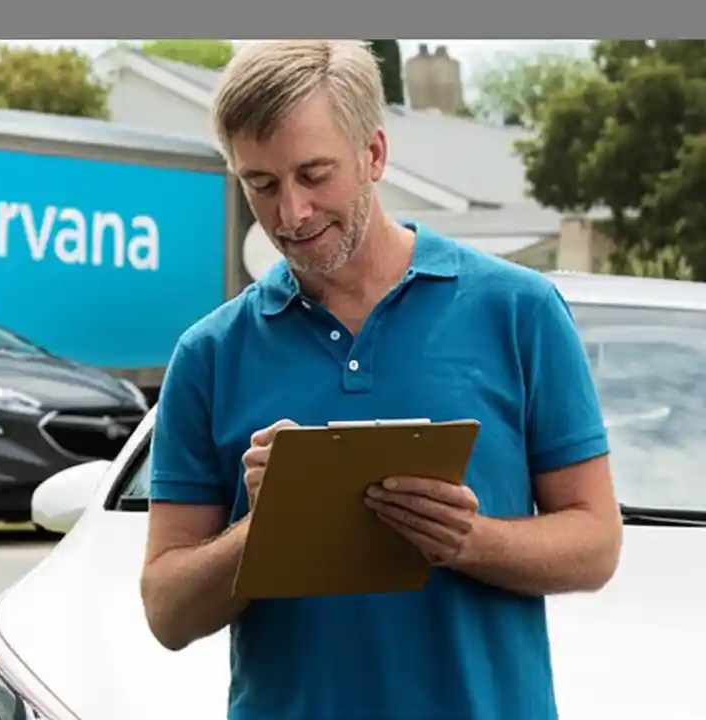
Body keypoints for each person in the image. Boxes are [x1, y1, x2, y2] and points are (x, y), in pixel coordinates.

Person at [139, 39, 623, 720]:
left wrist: (472, 541)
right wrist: (270, 526)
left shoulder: (517, 311)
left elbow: (596, 544)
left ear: (373, 154)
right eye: (262, 184)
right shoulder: (211, 353)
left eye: (315, 174)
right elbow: (167, 610)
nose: (291, 214)